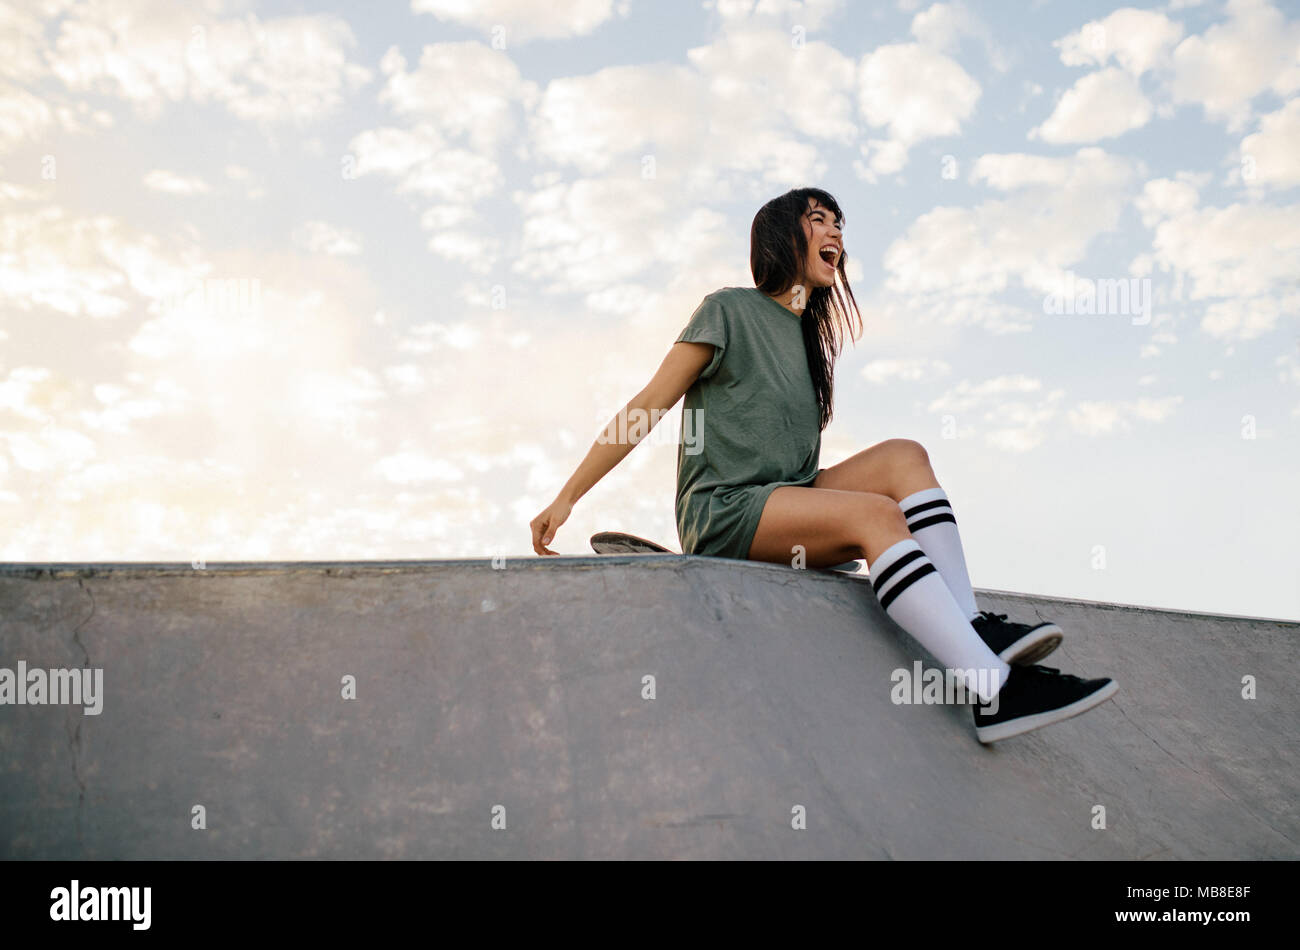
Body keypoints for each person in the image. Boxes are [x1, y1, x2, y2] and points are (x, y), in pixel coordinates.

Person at [530, 187, 1117, 744]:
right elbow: (649, 404)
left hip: (787, 498)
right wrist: (568, 497)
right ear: (783, 237)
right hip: (726, 512)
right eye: (819, 219)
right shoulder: (729, 310)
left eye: (839, 223)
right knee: (878, 517)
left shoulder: (809, 344)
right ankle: (991, 689)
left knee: (904, 457)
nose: (835, 231)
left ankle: (972, 625)